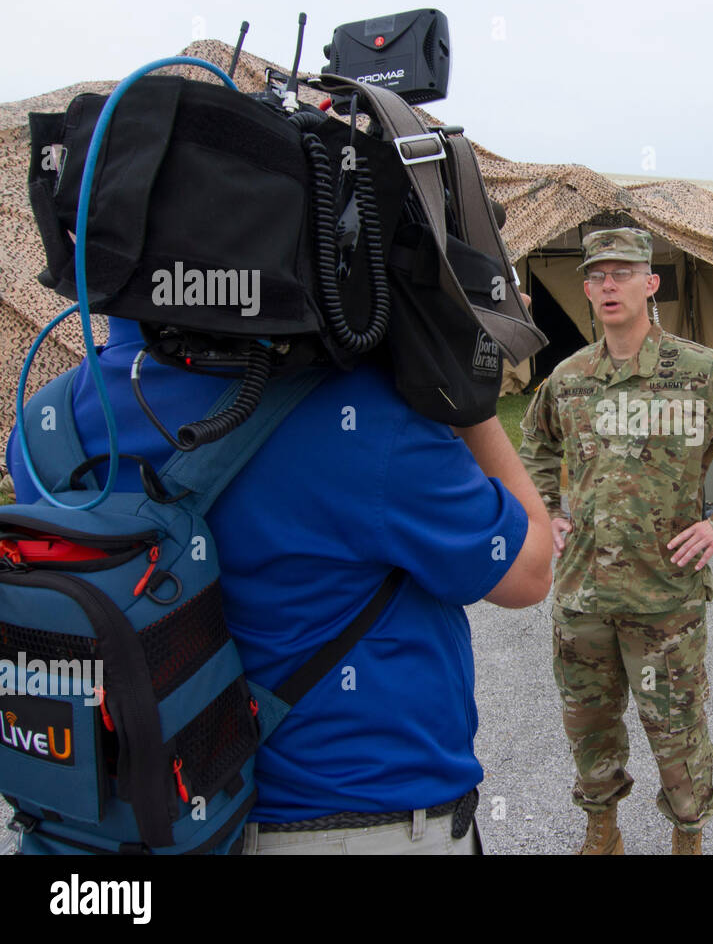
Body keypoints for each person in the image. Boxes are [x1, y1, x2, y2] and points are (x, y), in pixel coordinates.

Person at [6, 317, 554, 855]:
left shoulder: (46, 426)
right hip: (355, 817)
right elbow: (527, 570)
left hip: (156, 830)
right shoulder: (363, 412)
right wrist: (466, 399)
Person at [518, 228, 713, 855]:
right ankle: (602, 829)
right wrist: (546, 510)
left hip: (663, 597)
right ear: (587, 290)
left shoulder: (699, 372)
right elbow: (535, 444)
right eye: (597, 276)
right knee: (588, 726)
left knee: (676, 730)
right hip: (582, 596)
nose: (609, 285)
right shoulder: (567, 379)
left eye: (623, 273)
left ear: (651, 284)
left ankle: (688, 835)